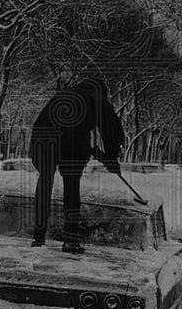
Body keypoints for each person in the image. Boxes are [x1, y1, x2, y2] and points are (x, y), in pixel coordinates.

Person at [29, 79, 125, 253]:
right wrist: (111, 156)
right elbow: (113, 130)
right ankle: (71, 240)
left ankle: (38, 237)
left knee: (44, 182)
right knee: (72, 186)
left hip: (40, 139)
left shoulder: (64, 95)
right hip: (71, 140)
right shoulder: (96, 99)